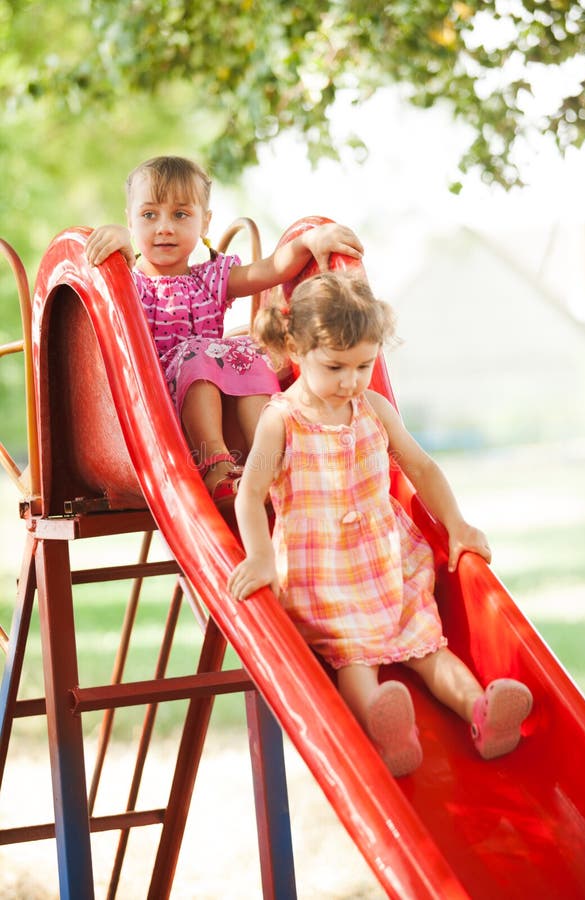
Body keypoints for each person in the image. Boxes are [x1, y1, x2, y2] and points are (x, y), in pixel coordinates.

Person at [227, 271, 533, 777]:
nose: (350, 380)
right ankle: (383, 728)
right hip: (320, 571)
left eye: (364, 365)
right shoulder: (280, 420)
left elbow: (421, 467)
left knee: (428, 643)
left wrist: (456, 523)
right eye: (336, 366)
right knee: (355, 657)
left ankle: (482, 711)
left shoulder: (372, 408)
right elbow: (251, 492)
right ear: (296, 351)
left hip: (385, 562)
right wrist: (259, 556)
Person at [85, 155, 363, 510]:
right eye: (148, 215)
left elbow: (271, 269)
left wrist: (310, 241)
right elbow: (92, 304)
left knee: (247, 351)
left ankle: (273, 460)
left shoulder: (210, 278)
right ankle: (216, 468)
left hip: (209, 385)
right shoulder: (126, 282)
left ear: (205, 222)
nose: (164, 227)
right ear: (130, 219)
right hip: (154, 406)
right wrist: (119, 243)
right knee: (200, 353)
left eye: (181, 214)